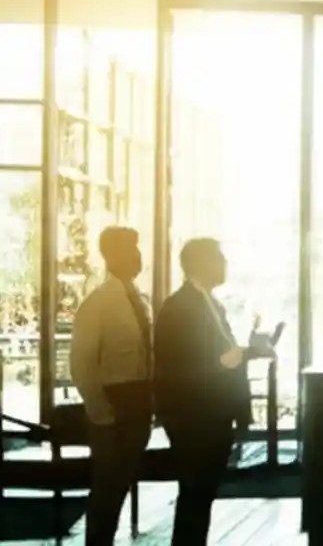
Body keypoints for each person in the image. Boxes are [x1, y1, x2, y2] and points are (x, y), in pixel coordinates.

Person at [154, 239, 274, 545]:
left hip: (207, 416)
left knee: (200, 494)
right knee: (196, 493)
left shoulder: (207, 302)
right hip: (194, 416)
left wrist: (243, 355)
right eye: (219, 258)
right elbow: (191, 362)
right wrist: (239, 355)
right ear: (202, 263)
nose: (225, 264)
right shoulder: (182, 306)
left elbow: (219, 358)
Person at [70, 226, 153, 546]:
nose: (138, 257)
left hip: (139, 400)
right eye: (131, 250)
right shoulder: (98, 303)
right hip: (113, 401)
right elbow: (82, 363)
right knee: (107, 485)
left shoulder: (140, 300)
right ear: (112, 255)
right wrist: (99, 409)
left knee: (121, 481)